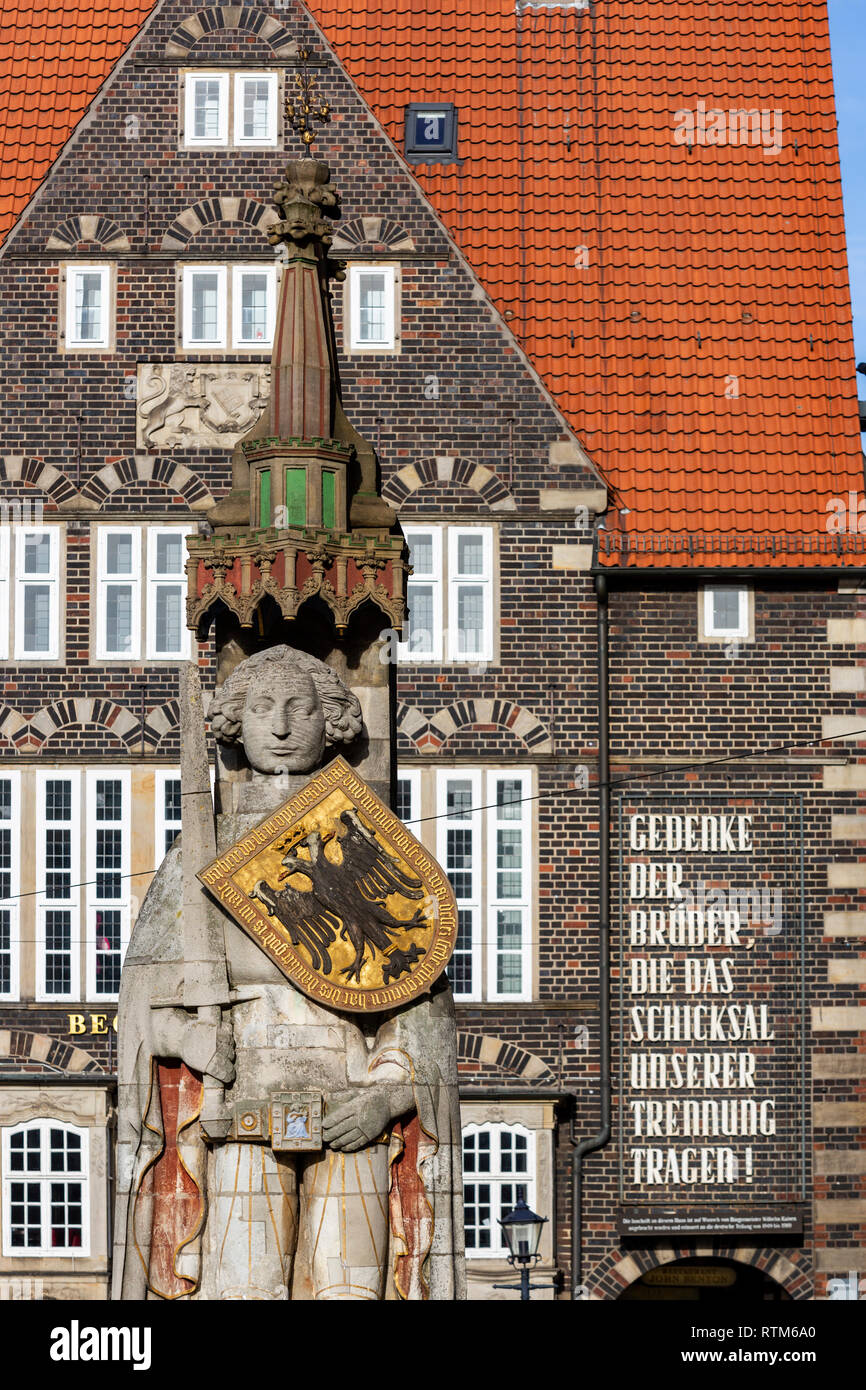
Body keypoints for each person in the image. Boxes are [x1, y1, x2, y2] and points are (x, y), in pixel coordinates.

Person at [112, 647, 464, 1302]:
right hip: (237, 1114)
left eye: (297, 708)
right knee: (242, 1289)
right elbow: (140, 1010)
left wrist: (386, 1101)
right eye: (261, 709)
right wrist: (188, 1041)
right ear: (233, 723)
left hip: (352, 1113)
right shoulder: (200, 852)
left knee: (350, 1290)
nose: (278, 727)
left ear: (328, 721)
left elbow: (419, 1013)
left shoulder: (366, 843)